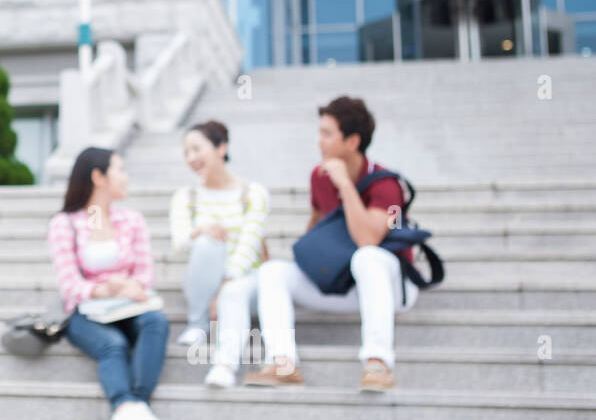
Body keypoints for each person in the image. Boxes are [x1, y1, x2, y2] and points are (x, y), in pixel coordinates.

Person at [239, 95, 419, 392]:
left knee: (368, 257)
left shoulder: (386, 184)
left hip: (390, 287)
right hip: (342, 283)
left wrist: (345, 185)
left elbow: (367, 239)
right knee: (272, 272)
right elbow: (318, 227)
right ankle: (283, 363)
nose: (319, 141)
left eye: (327, 134)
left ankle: (377, 363)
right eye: (319, 132)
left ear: (352, 142)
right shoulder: (319, 177)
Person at [47, 147, 170, 420]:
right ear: (98, 176)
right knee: (113, 344)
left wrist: (130, 286)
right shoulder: (64, 223)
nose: (125, 178)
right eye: (120, 170)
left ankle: (138, 404)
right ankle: (123, 405)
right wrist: (107, 288)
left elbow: (145, 273)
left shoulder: (131, 219)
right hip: (85, 313)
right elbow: (70, 286)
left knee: (156, 321)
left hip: (128, 306)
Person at [168, 120, 270, 348]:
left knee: (235, 291)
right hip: (203, 282)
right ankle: (198, 323)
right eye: (186, 152)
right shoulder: (185, 197)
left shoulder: (253, 193)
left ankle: (220, 337)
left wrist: (223, 290)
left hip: (244, 280)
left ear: (221, 148)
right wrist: (200, 230)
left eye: (196, 149)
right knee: (206, 243)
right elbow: (179, 244)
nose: (191, 158)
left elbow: (248, 246)